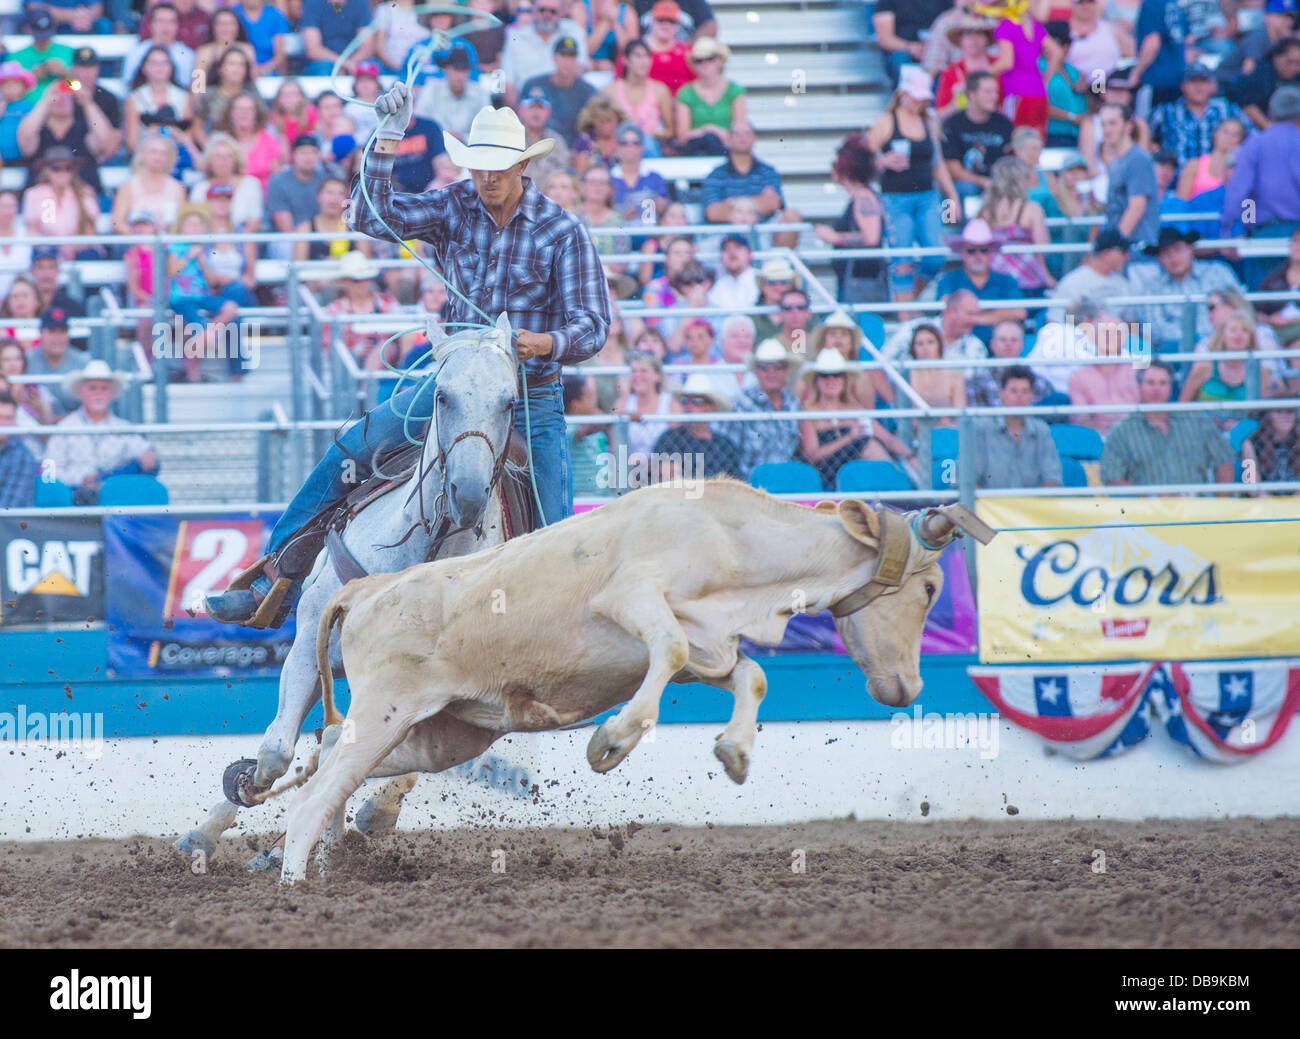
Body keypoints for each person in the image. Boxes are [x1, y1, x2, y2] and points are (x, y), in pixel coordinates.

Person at [208, 100, 611, 627]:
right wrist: (386, 140)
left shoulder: (561, 230)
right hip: (453, 388)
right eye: (478, 166)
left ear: (523, 165)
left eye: (498, 167)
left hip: (528, 396)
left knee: (555, 520)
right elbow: (366, 216)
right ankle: (275, 578)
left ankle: (564, 632)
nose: (487, 177)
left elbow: (593, 326)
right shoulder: (456, 204)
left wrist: (542, 343)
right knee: (353, 448)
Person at [866, 66, 961, 301]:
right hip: (896, 198)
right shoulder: (886, 122)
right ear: (903, 94)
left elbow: (937, 163)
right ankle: (905, 308)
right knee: (902, 259)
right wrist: (883, 161)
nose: (919, 103)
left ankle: (909, 300)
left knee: (935, 256)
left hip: (926, 197)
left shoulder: (929, 122)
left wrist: (952, 196)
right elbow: (864, 158)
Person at [1101, 360, 1234, 487]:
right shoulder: (1122, 431)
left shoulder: (1197, 421)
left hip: (1193, 502)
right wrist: (1149, 497)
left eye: (1163, 383)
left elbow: (1224, 460)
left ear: (1171, 388)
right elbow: (1112, 478)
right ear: (1139, 387)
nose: (1156, 389)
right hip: (1146, 503)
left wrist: (1221, 500)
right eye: (1150, 383)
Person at [43, 361, 159, 503]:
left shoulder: (123, 428)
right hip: (75, 497)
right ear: (82, 392)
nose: (98, 394)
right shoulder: (65, 428)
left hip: (115, 498)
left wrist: (147, 454)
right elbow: (50, 471)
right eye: (92, 388)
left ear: (110, 394)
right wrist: (82, 479)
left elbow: (147, 457)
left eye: (103, 388)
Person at [798, 348, 913, 489]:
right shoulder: (808, 412)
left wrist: (910, 457)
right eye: (825, 375)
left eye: (837, 375)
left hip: (856, 467)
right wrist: (848, 438)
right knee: (867, 444)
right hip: (825, 471)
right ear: (817, 380)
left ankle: (895, 488)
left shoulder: (854, 409)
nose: (831, 380)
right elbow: (812, 456)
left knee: (872, 444)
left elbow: (887, 438)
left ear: (844, 380)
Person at [1219, 87, 1300, 277]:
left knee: (1263, 293)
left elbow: (1242, 193)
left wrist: (1238, 227)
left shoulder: (1255, 144)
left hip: (1265, 234)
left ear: (1271, 114)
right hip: (1294, 233)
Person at [1127, 228, 1244, 349]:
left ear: (1190, 249)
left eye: (1177, 250)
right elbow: (1155, 331)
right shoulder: (1151, 289)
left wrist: (1211, 338)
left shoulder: (1218, 272)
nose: (1173, 257)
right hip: (1176, 349)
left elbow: (1241, 308)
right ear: (1159, 258)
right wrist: (1194, 340)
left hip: (1222, 342)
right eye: (1166, 253)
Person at [700, 120, 802, 248]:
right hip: (726, 233)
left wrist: (732, 204)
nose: (742, 138)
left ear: (754, 138)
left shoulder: (767, 171)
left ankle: (780, 259)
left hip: (762, 229)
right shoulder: (716, 174)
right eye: (737, 133)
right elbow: (712, 212)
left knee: (792, 216)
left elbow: (774, 203)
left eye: (747, 133)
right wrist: (755, 205)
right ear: (729, 138)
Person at [813, 133, 887, 304]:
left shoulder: (864, 196)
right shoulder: (860, 196)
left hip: (862, 286)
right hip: (856, 284)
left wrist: (835, 237)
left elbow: (871, 238)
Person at [934, 218, 1026, 345]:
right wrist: (998, 315)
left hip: (999, 348)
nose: (978, 255)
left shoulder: (1006, 280)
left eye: (983, 250)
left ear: (991, 252)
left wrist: (971, 317)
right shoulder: (949, 279)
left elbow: (1019, 312)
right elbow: (947, 309)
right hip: (960, 345)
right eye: (971, 251)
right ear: (962, 252)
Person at [970, 365, 1062, 489]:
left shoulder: (1041, 430)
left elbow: (1052, 478)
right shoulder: (981, 429)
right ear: (1001, 394)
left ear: (1032, 396)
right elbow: (967, 480)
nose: (1019, 396)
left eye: (1025, 391)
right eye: (1013, 391)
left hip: (1033, 501)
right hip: (987, 501)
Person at [980, 156, 1055, 293]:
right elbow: (1042, 247)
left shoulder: (986, 210)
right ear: (1020, 180)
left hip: (994, 276)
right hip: (1026, 277)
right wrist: (1046, 275)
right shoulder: (1032, 209)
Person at [1150, 63, 1248, 167]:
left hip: (1217, 174)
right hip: (1177, 174)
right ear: (1183, 86)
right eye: (1193, 82)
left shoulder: (1226, 109)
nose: (1198, 87)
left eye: (1203, 81)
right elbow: (1142, 137)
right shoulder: (1165, 112)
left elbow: (1253, 138)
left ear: (1212, 86)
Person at [732, 339, 800, 479]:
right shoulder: (741, 403)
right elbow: (728, 450)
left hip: (786, 479)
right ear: (756, 371)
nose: (771, 372)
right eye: (764, 367)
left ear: (786, 371)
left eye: (777, 367)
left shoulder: (793, 403)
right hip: (749, 482)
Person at [650, 374, 740, 481]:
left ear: (711, 407)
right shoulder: (670, 438)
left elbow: (734, 480)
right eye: (684, 401)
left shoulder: (724, 445)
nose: (689, 406)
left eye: (696, 401)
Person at [942, 70, 1016, 200]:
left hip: (1001, 181)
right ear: (972, 95)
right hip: (969, 182)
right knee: (961, 189)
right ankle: (952, 215)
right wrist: (983, 182)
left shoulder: (1004, 123)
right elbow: (953, 170)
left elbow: (1014, 159)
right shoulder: (952, 124)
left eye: (995, 91)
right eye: (988, 92)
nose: (994, 97)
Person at [267, 135, 344, 253]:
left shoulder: (326, 179)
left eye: (313, 152)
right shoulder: (278, 182)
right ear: (294, 155)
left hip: (323, 233)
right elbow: (285, 227)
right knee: (286, 247)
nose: (308, 157)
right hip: (292, 237)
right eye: (303, 152)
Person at [1067, 312, 1141, 434]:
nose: (1109, 336)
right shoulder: (1078, 377)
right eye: (1104, 332)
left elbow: (1147, 412)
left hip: (1135, 435)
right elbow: (1082, 418)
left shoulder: (1138, 373)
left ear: (1124, 338)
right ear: (1094, 337)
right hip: (1097, 438)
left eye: (1115, 332)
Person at [503, 2, 590, 105]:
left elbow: (580, 68)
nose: (547, 15)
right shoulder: (517, 37)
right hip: (528, 104)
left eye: (553, 11)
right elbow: (508, 83)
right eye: (542, 10)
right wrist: (518, 112)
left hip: (566, 101)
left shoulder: (573, 31)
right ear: (534, 10)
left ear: (562, 12)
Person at [22, 148, 101, 259]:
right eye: (56, 168)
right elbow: (33, 230)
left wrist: (72, 248)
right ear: (46, 171)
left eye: (68, 168)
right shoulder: (35, 194)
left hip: (80, 250)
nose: (62, 173)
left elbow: (90, 230)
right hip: (47, 251)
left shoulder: (85, 193)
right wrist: (56, 249)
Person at [521, 35, 598, 144]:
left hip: (574, 149)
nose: (567, 61)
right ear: (554, 57)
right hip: (537, 144)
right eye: (563, 55)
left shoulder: (588, 92)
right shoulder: (534, 85)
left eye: (571, 56)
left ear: (576, 60)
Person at [673, 37, 744, 156]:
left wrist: (710, 131)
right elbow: (682, 137)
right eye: (699, 60)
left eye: (710, 59)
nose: (705, 64)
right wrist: (709, 131)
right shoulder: (685, 93)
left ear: (720, 61)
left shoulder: (734, 90)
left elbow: (741, 131)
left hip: (727, 150)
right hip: (696, 150)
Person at [602, 39, 674, 154]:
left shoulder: (660, 90)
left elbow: (670, 131)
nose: (644, 62)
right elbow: (604, 128)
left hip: (650, 148)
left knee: (646, 141)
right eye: (638, 56)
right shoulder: (610, 91)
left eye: (647, 57)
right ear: (625, 60)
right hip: (619, 148)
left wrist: (644, 135)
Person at [966, 320, 1053, 406]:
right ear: (992, 344)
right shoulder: (976, 382)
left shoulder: (1039, 382)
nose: (1008, 344)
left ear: (1022, 345)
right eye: (1003, 340)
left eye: (1014, 340)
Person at [189, 132, 265, 230]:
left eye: (228, 156)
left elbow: (255, 221)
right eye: (218, 156)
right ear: (209, 161)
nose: (223, 161)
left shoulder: (250, 184)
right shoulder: (199, 189)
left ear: (235, 160)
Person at [615, 349, 676, 470]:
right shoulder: (623, 403)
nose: (637, 376)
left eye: (643, 371)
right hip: (630, 469)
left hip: (662, 469)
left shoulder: (670, 404)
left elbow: (676, 443)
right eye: (634, 371)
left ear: (657, 376)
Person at [414, 48, 491, 143]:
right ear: (446, 70)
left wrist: (463, 138)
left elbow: (487, 130)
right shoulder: (430, 90)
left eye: (464, 70)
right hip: (436, 147)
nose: (460, 76)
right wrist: (440, 137)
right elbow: (419, 124)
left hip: (470, 148)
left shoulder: (481, 94)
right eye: (456, 70)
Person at [872, 0, 955, 87]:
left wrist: (932, 49)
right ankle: (904, 94)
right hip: (904, 51)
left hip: (938, 49)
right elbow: (885, 39)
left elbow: (954, 21)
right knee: (900, 57)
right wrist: (910, 47)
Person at [25, 306, 87, 417]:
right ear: (41, 333)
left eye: (62, 332)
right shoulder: (27, 360)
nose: (58, 338)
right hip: (34, 422)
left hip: (75, 423)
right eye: (52, 332)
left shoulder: (81, 362)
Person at [215, 92, 282, 190]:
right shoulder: (221, 140)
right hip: (228, 194)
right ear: (231, 113)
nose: (244, 113)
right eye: (239, 109)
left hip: (263, 195)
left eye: (249, 109)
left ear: (256, 114)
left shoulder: (268, 139)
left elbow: (276, 176)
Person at [1230, 36, 1300, 131]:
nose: (1294, 68)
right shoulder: (1260, 75)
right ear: (1276, 58)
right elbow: (1248, 106)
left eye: (1298, 63)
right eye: (1290, 62)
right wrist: (1273, 130)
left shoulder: (1297, 77)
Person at [936, 15, 998, 118]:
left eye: (979, 33)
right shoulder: (950, 72)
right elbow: (939, 114)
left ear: (987, 38)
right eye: (968, 34)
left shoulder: (1000, 65)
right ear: (960, 39)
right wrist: (954, 104)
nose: (973, 39)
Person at [1131, 0, 1189, 107]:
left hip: (1156, 79)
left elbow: (1153, 41)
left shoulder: (1151, 4)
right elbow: (1188, 38)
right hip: (1178, 78)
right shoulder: (1173, 4)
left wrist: (1136, 73)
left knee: (1149, 116)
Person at [905, 322, 966, 425]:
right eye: (920, 344)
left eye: (930, 342)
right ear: (913, 348)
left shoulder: (954, 377)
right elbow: (905, 419)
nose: (925, 348)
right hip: (915, 431)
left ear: (939, 344)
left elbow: (961, 416)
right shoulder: (905, 377)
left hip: (947, 430)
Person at [121, 3, 196, 87]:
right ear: (151, 24)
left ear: (178, 25)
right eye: (161, 21)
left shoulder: (188, 55)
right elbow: (128, 85)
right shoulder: (136, 53)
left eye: (171, 21)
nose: (166, 26)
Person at [300, 0, 373, 77]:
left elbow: (367, 46)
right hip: (324, 62)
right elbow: (313, 50)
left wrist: (349, 64)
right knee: (324, 68)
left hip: (354, 60)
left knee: (371, 67)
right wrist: (344, 64)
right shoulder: (313, 3)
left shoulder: (360, 3)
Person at [641, 0, 695, 96]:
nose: (665, 25)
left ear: (678, 25)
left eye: (671, 21)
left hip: (680, 101)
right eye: (660, 20)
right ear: (652, 22)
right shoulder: (638, 49)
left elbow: (697, 83)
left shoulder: (687, 51)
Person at [233, 0, 290, 77]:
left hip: (268, 72)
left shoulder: (276, 16)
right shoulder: (233, 13)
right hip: (237, 69)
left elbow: (280, 56)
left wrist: (262, 70)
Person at [0, 393, 37, 508]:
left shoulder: (23, 458)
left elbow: (8, 508)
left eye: (8, 418)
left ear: (15, 422)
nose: (2, 423)